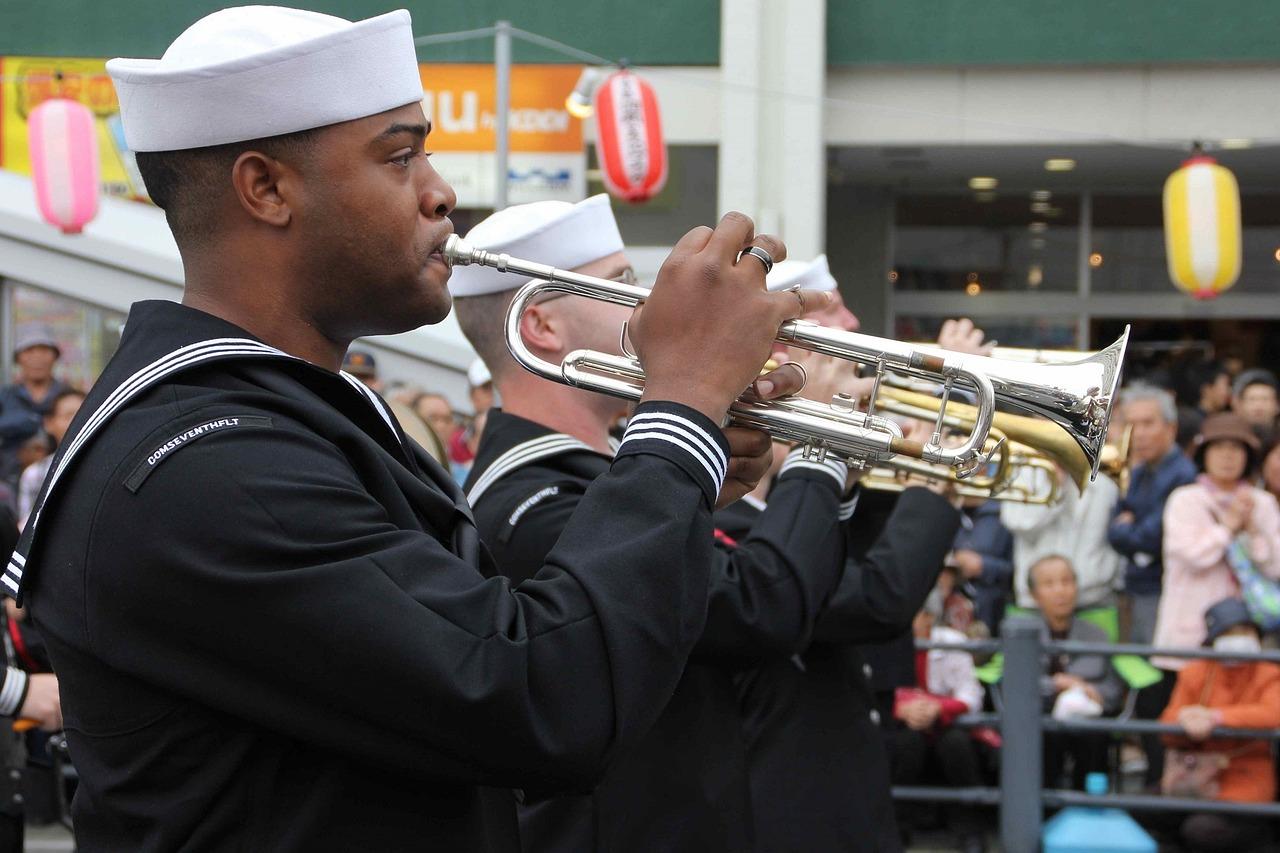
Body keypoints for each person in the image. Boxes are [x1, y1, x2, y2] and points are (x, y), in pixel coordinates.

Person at [11, 8, 818, 850]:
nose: (440, 191)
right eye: (400, 156)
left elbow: (494, 626)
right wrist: (679, 410)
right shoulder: (204, 461)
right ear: (267, 188)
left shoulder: (278, 418)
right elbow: (543, 695)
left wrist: (677, 475)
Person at [453, 199, 847, 852]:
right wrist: (821, 451)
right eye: (624, 286)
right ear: (542, 324)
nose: (652, 310)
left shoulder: (600, 474)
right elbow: (760, 609)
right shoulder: (532, 492)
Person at [726, 259, 966, 853]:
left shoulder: (776, 499)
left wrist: (849, 472)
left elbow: (842, 554)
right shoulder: (721, 515)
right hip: (786, 803)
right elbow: (865, 597)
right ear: (783, 351)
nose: (856, 322)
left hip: (840, 777)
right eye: (833, 309)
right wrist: (929, 492)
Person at [1147, 412, 1280, 790]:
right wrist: (1228, 528)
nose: (1227, 456)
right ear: (1203, 454)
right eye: (1219, 448)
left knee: (1241, 720)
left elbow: (1275, 565)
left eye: (1236, 449)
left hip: (1243, 634)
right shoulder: (1185, 499)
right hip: (1189, 633)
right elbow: (1192, 554)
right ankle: (1179, 795)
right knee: (1182, 719)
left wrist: (1252, 531)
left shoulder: (1261, 502)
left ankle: (1241, 794)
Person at [1153, 597, 1279, 853]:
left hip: (1247, 775)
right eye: (1229, 632)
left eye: (1244, 631)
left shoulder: (1269, 672)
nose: (1238, 638)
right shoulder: (1195, 671)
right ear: (1213, 639)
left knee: (1204, 831)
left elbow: (1273, 713)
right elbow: (1167, 723)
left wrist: (1215, 718)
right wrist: (1184, 722)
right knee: (1142, 809)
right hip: (1194, 773)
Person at [887, 586, 990, 853]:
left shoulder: (952, 641)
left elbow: (972, 696)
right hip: (904, 725)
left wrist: (937, 707)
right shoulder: (884, 641)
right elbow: (872, 692)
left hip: (948, 725)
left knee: (955, 744)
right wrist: (901, 709)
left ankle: (970, 831)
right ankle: (897, 829)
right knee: (906, 743)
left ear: (930, 617)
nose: (909, 622)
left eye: (917, 614)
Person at [1108, 384, 1197, 645]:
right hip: (1136, 586)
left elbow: (1151, 537)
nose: (1139, 434)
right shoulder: (1137, 472)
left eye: (1148, 423)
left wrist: (1127, 527)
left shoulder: (1184, 474)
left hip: (1166, 590)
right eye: (1131, 425)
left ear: (1171, 428)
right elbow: (1112, 533)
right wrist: (1126, 528)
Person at [1026, 555, 1123, 790]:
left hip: (1087, 715)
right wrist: (1058, 685)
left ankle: (1088, 810)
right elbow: (1018, 687)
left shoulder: (1097, 634)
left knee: (1094, 735)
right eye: (1049, 584)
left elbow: (1113, 690)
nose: (1060, 591)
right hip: (1040, 717)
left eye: (1067, 581)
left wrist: (1088, 690)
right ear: (1034, 595)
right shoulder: (1022, 634)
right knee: (1042, 737)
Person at [1002, 466, 1122, 611]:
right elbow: (1018, 523)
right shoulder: (1022, 477)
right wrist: (1055, 489)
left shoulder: (1104, 483)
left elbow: (1113, 539)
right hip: (1034, 602)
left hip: (1094, 598)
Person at [0, 326, 69, 491]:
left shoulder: (67, 397)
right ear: (19, 358)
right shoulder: (5, 397)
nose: (37, 357)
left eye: (44, 350)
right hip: (8, 485)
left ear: (55, 356)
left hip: (59, 482)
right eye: (29, 350)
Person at [17, 388, 84, 526]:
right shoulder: (35, 474)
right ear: (49, 423)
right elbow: (26, 528)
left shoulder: (107, 465)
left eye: (83, 414)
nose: (77, 422)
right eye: (68, 415)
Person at [951, 496, 1013, 634]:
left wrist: (983, 566)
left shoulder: (1004, 512)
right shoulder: (946, 509)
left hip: (993, 611)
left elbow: (1019, 572)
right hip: (952, 613)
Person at [1175, 359, 1231, 448]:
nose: (1229, 391)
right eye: (1225, 385)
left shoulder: (1221, 419)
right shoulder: (1190, 422)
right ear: (1207, 389)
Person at [1230, 367, 1280, 445]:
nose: (1258, 406)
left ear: (1277, 405)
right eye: (1252, 399)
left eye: (1265, 399)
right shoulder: (1230, 438)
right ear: (1239, 405)